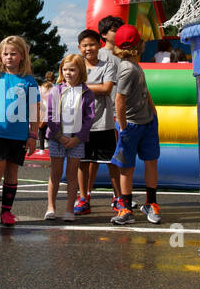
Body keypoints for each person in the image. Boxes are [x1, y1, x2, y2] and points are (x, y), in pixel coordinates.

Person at [0, 36, 39, 227]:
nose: (9, 57)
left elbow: (35, 110)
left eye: (13, 53)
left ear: (22, 56)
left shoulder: (29, 81)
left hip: (19, 135)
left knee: (11, 173)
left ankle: (6, 212)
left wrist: (33, 135)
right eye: (5, 54)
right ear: (0, 56)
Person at [109, 24, 160, 225]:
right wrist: (123, 126)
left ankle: (150, 204)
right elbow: (119, 99)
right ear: (138, 43)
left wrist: (153, 110)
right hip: (132, 124)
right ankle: (126, 208)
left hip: (146, 122)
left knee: (150, 162)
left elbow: (144, 91)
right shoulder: (127, 69)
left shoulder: (135, 65)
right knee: (126, 168)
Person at [42, 54, 95, 221]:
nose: (68, 73)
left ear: (80, 71)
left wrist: (77, 138)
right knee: (55, 174)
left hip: (76, 141)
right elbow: (50, 115)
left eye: (72, 69)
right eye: (65, 69)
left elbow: (89, 118)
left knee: (72, 176)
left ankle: (69, 209)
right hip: (57, 139)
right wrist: (59, 136)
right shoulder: (56, 90)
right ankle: (51, 207)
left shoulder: (87, 93)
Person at [75, 28, 118, 216]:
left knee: (111, 163)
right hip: (82, 125)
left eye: (92, 44)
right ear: (79, 48)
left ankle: (119, 198)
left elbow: (107, 88)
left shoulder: (108, 65)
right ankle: (83, 198)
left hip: (105, 123)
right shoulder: (76, 66)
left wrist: (80, 87)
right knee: (82, 163)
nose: (88, 48)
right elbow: (67, 86)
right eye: (84, 45)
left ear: (99, 45)